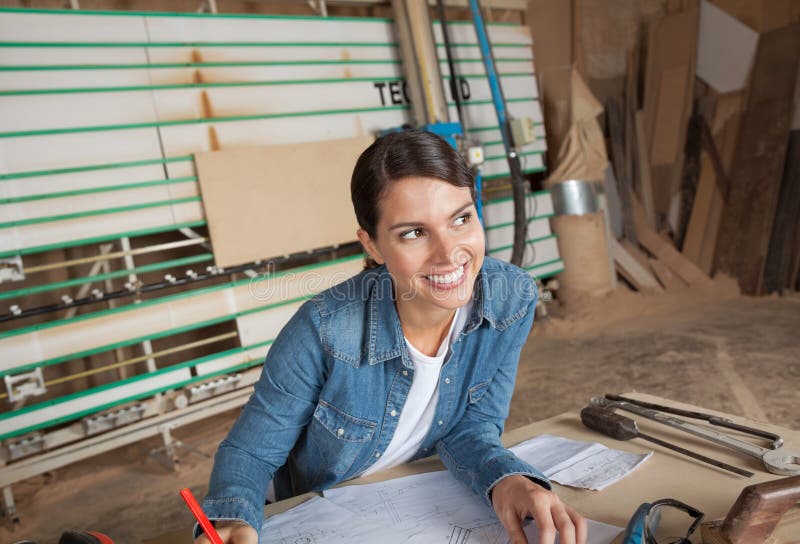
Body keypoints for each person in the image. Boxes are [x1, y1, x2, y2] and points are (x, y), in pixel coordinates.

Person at [195, 130, 586, 544]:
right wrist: (232, 519)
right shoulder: (323, 331)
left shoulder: (512, 299)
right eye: (414, 233)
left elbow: (473, 426)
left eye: (461, 219)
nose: (450, 253)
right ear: (373, 245)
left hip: (421, 503)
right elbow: (251, 453)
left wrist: (506, 479)